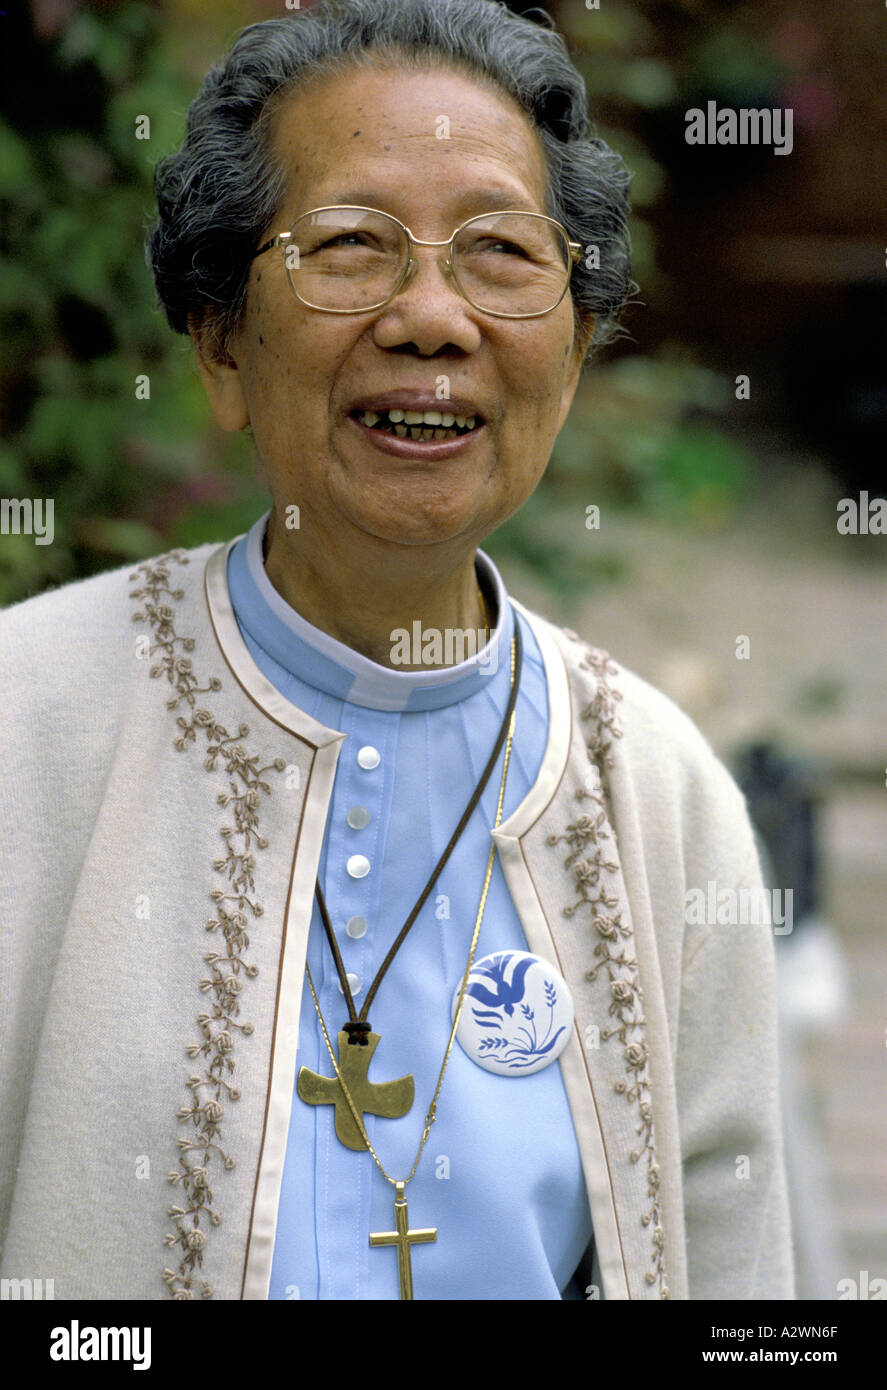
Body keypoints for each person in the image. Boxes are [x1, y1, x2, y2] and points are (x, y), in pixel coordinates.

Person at [0, 0, 793, 1301]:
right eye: (353, 245)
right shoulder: (25, 724)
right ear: (220, 346)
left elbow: (741, 1275)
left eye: (500, 253)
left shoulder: (658, 791)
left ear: (578, 345)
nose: (433, 318)